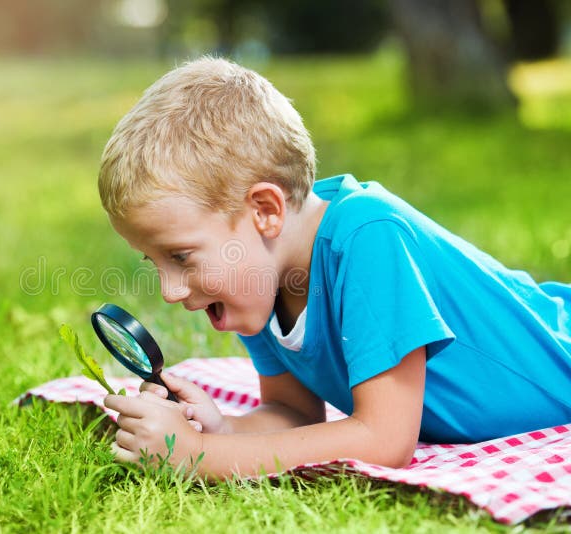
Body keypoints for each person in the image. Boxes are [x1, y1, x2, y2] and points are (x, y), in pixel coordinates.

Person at [98, 57, 571, 479]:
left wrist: (200, 456)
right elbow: (294, 416)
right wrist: (222, 431)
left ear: (265, 210)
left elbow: (384, 441)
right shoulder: (260, 274)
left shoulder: (367, 236)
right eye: (155, 262)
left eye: (180, 257)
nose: (169, 290)